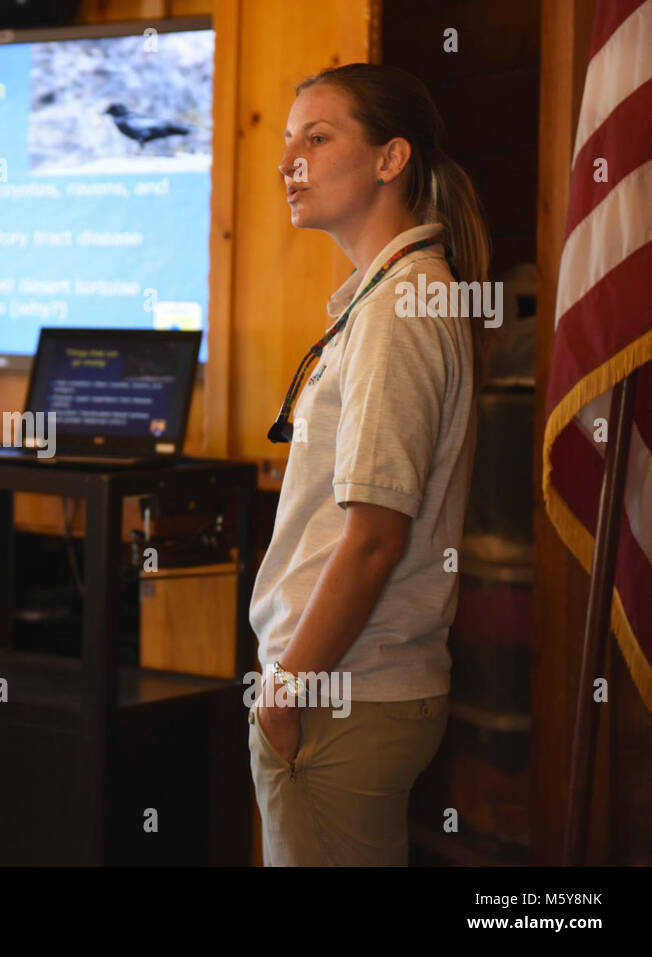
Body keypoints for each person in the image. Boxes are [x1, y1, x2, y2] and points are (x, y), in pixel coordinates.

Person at [247, 62, 491, 866]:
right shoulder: (389, 296)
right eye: (287, 142)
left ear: (392, 158)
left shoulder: (399, 310)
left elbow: (375, 538)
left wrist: (288, 690)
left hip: (341, 693)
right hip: (346, 689)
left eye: (317, 138)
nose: (290, 162)